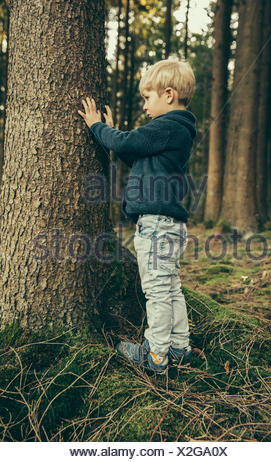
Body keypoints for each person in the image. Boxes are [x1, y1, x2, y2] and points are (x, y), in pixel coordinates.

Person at [78, 57, 197, 374]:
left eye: (148, 97)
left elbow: (127, 142)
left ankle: (156, 357)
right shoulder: (177, 132)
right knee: (170, 287)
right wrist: (112, 133)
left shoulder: (167, 126)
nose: (145, 105)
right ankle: (180, 347)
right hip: (169, 224)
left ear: (168, 95)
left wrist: (97, 126)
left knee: (157, 291)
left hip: (156, 225)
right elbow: (134, 152)